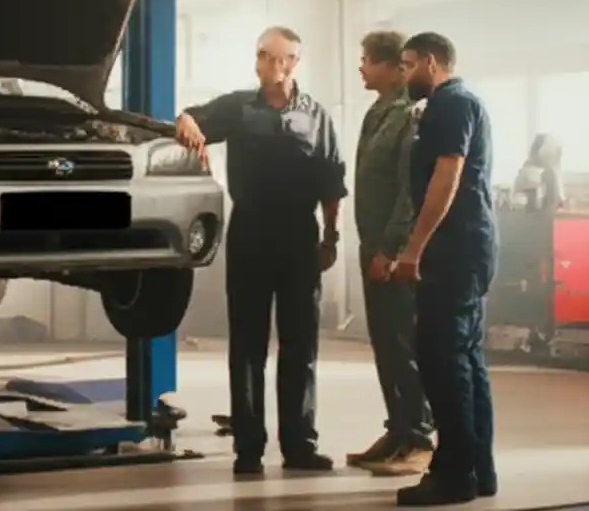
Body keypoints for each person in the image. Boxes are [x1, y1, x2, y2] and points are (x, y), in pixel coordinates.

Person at [175, 25, 346, 476]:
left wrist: (331, 237)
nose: (266, 64)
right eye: (260, 55)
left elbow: (332, 181)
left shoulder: (316, 115)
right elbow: (191, 119)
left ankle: (300, 446)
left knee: (300, 345)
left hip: (298, 236)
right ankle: (248, 449)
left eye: (276, 57)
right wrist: (188, 121)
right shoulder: (238, 107)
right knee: (248, 345)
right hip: (250, 232)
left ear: (293, 62)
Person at [390, 32, 498, 507]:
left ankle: (453, 474)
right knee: (467, 359)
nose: (404, 73)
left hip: (452, 248)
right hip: (470, 245)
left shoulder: (450, 104)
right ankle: (478, 468)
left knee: (441, 358)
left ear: (431, 63)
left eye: (408, 64)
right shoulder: (464, 100)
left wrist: (414, 248)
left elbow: (447, 175)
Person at [344, 30, 434, 477]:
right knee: (384, 344)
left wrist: (392, 248)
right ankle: (398, 429)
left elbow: (406, 190)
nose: (361, 66)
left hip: (389, 249)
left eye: (367, 60)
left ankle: (419, 436)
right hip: (371, 245)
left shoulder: (408, 117)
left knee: (403, 341)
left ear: (393, 67)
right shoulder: (375, 113)